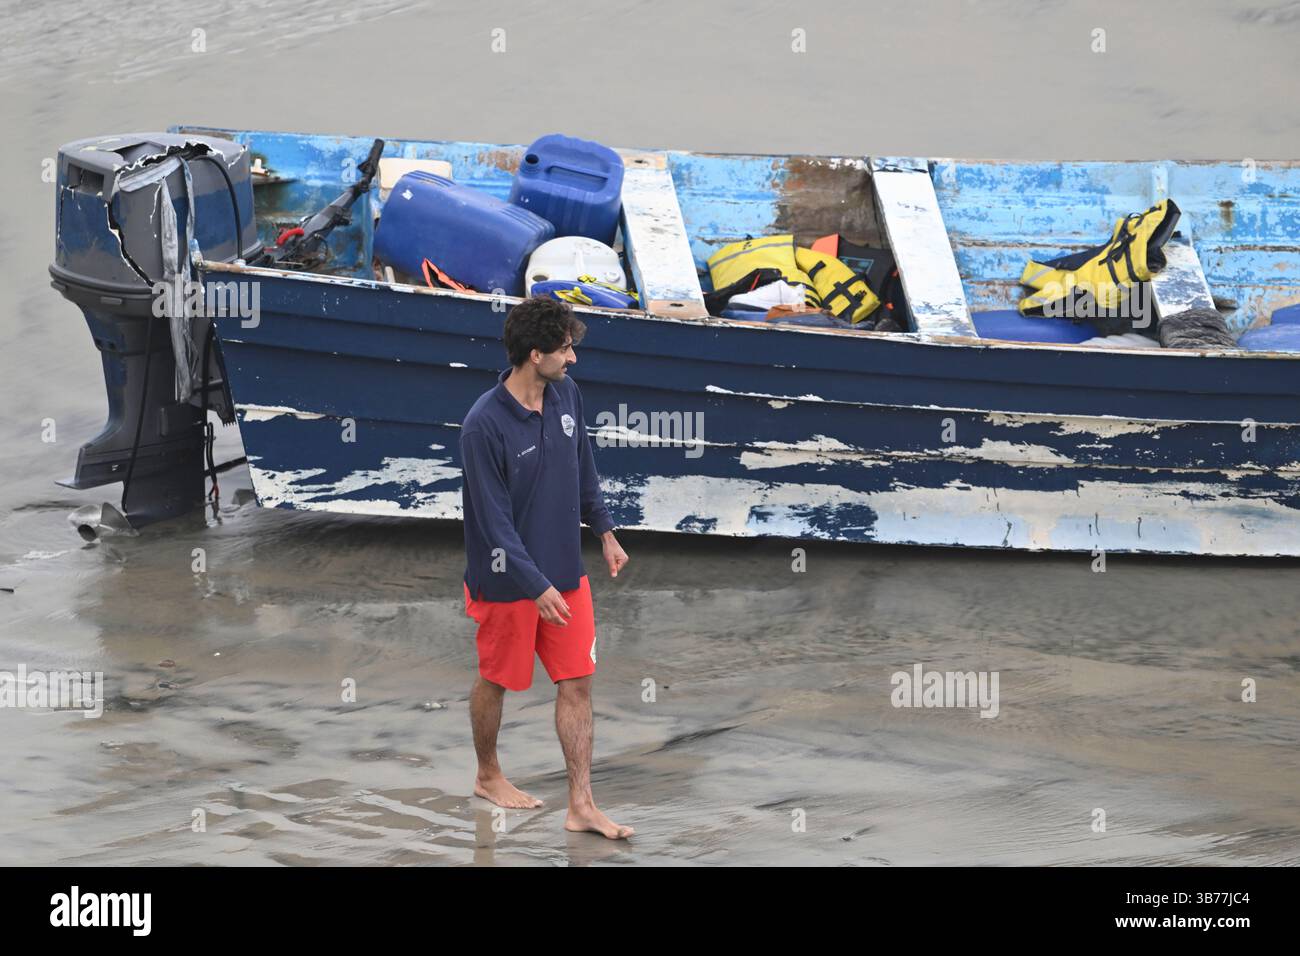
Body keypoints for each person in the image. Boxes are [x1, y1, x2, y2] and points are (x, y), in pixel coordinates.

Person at [459, 296, 633, 840]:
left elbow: (583, 463)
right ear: (535, 355)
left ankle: (581, 803)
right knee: (498, 680)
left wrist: (604, 530)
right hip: (507, 581)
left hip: (565, 573)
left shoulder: (566, 395)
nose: (573, 358)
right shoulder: (482, 427)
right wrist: (533, 586)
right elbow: (493, 524)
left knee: (577, 684)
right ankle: (488, 774)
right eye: (565, 349)